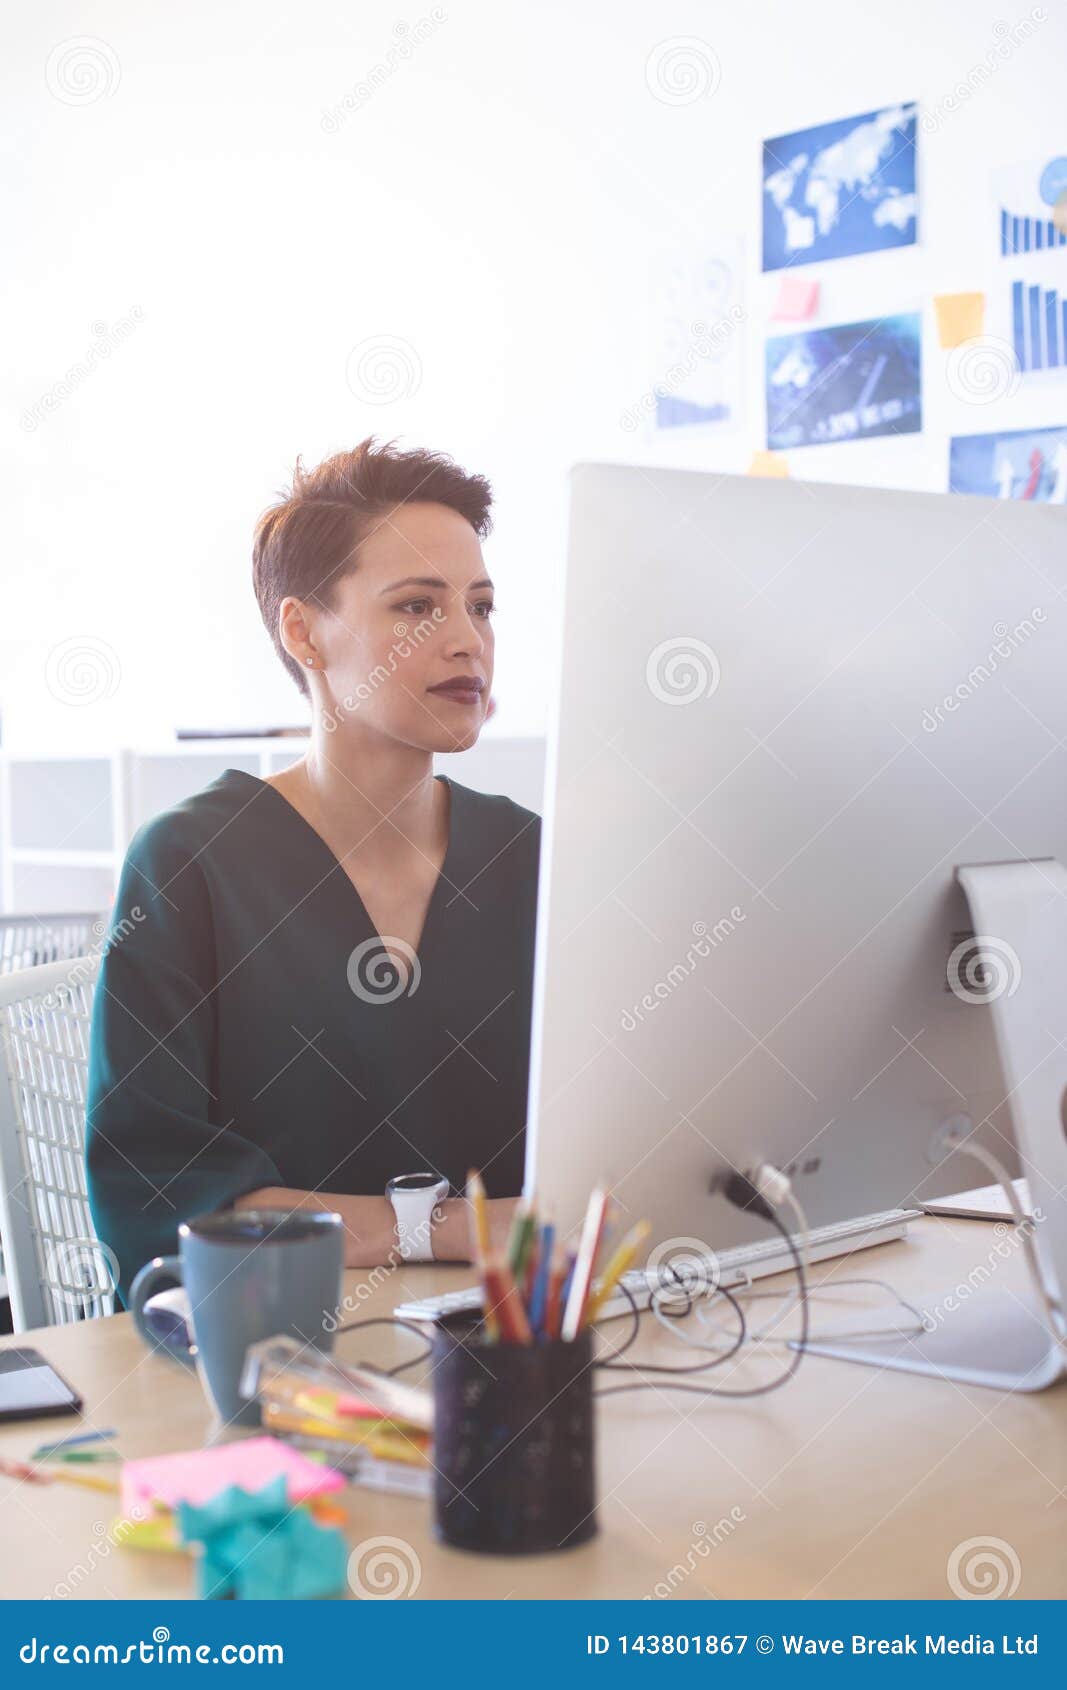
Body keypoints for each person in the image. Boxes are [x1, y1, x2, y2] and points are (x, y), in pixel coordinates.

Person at [86, 438, 540, 1300]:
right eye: (416, 607)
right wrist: (449, 1228)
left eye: (480, 608)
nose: (465, 642)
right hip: (277, 1353)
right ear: (303, 632)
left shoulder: (533, 860)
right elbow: (162, 1196)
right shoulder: (190, 865)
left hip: (521, 1339)